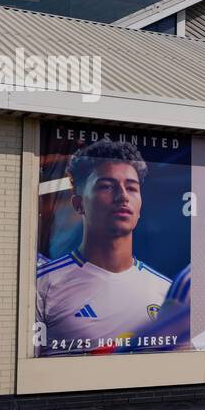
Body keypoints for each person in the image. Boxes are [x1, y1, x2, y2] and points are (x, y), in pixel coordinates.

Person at [36, 140, 170, 355]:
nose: (123, 197)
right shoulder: (43, 285)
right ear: (78, 204)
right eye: (107, 186)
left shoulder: (167, 291)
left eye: (132, 188)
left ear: (141, 205)